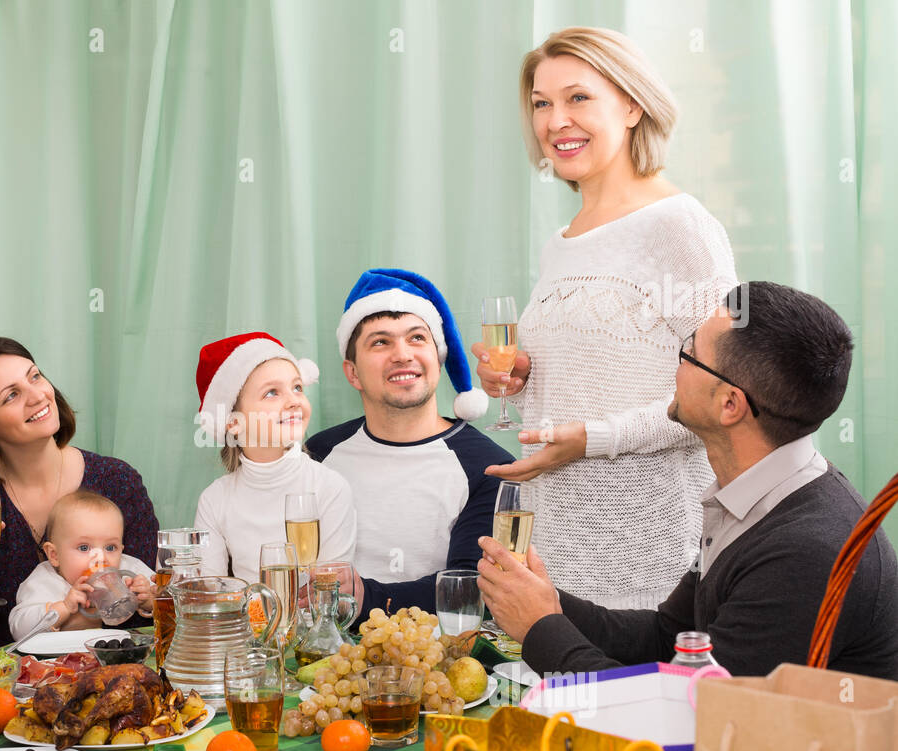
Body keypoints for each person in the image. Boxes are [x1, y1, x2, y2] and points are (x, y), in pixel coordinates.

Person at [477, 282, 898, 679]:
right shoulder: (756, 497)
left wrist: (540, 627)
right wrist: (544, 600)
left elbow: (687, 718)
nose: (674, 367)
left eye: (689, 353)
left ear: (729, 404)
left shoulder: (805, 552)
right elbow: (667, 637)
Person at [471, 26, 738, 609]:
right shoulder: (561, 241)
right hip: (554, 543)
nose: (555, 120)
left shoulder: (679, 228)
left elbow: (727, 395)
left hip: (643, 554)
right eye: (541, 104)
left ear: (633, 105)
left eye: (578, 98)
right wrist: (519, 378)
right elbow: (596, 381)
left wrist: (594, 440)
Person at [308, 268, 513, 619]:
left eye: (417, 338)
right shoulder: (319, 453)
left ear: (438, 357)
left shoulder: (490, 468)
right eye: (380, 342)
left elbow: (472, 592)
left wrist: (366, 595)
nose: (402, 355)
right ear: (352, 372)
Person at [0, 337, 159, 645]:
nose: (38, 396)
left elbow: (142, 610)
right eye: (11, 395)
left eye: (35, 376)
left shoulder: (118, 481)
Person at [192, 332, 356, 580]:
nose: (294, 401)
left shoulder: (330, 487)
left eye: (297, 387)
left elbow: (332, 593)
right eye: (272, 393)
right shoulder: (214, 500)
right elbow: (211, 590)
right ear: (233, 422)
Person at [8, 491, 155, 640]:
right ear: (54, 555)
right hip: (60, 660)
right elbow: (19, 630)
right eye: (84, 548)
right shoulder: (43, 581)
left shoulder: (129, 569)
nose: (100, 558)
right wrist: (64, 608)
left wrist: (148, 601)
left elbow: (172, 605)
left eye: (110, 547)